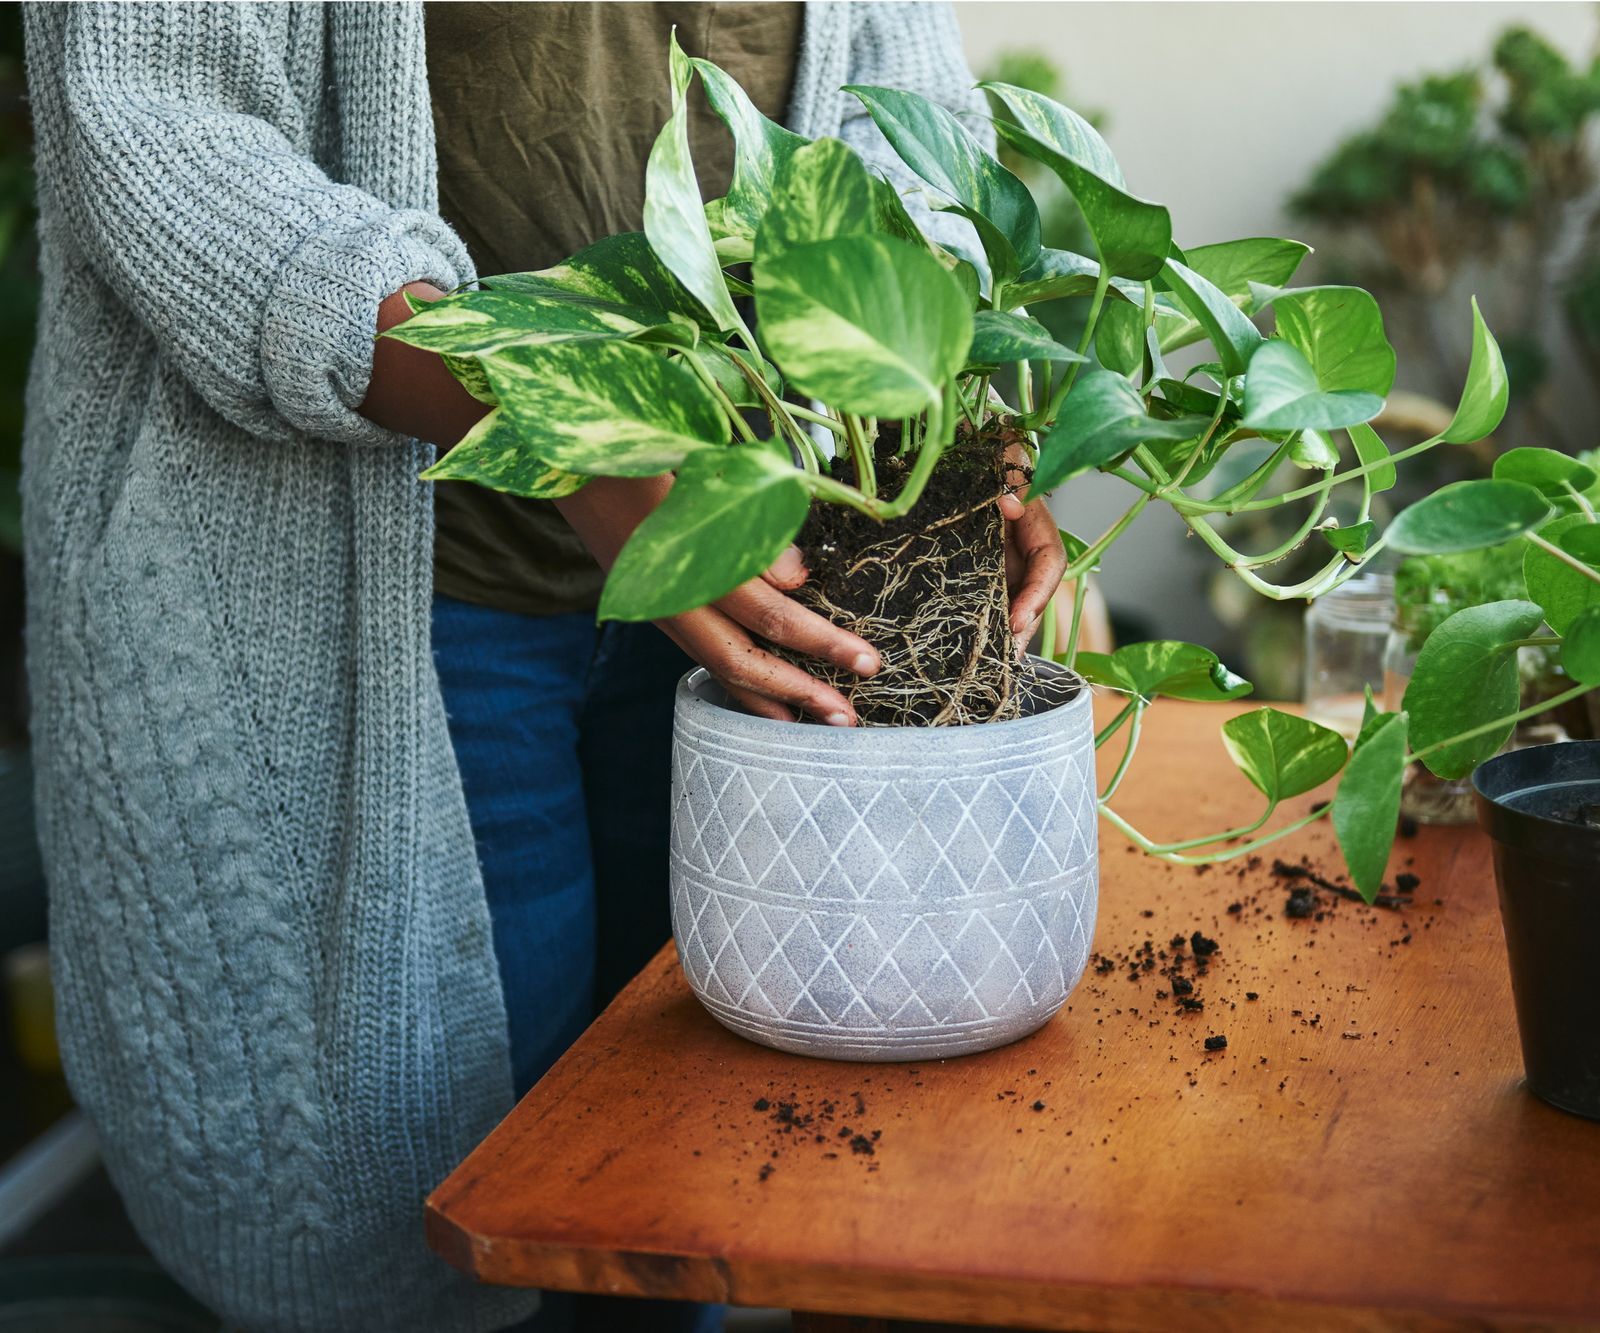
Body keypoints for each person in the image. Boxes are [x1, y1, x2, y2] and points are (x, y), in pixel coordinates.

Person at [20, 4, 1064, 1332]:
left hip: (757, 577)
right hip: (409, 614)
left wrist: (966, 424)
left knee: (678, 1207)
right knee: (435, 1225)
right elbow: (162, 126)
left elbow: (908, 121)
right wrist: (561, 427)